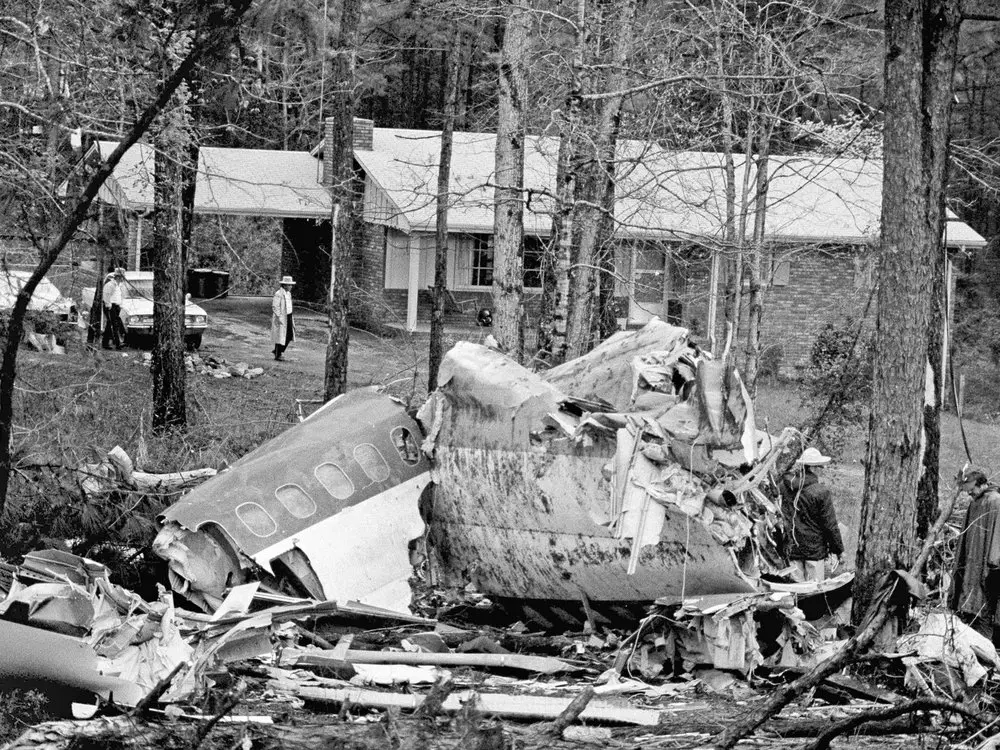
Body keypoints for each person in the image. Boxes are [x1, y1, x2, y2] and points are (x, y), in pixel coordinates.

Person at [779, 447, 845, 583]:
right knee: (814, 590)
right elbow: (829, 524)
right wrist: (838, 550)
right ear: (815, 468)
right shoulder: (821, 492)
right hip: (814, 551)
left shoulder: (784, 487)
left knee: (795, 591)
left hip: (792, 548)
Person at [950, 468, 1000, 642]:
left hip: (986, 563)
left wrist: (993, 563)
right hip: (972, 561)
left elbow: (997, 535)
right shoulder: (975, 502)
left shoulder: (995, 501)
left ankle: (985, 643)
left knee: (985, 603)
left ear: (982, 484)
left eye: (972, 489)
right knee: (971, 600)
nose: (970, 493)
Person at [271, 275, 295, 361]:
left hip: (288, 315)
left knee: (289, 335)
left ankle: (278, 351)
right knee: (280, 335)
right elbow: (275, 307)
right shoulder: (278, 294)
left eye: (291, 285)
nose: (290, 287)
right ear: (284, 285)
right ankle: (278, 354)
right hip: (281, 317)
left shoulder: (288, 294)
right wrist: (279, 317)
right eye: (289, 285)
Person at [101, 267, 126, 350]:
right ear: (118, 277)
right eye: (122, 277)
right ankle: (118, 344)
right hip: (110, 306)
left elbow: (120, 296)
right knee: (114, 325)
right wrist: (108, 304)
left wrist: (121, 304)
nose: (123, 279)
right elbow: (106, 295)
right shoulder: (110, 285)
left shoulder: (119, 286)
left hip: (116, 306)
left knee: (109, 325)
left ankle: (105, 343)